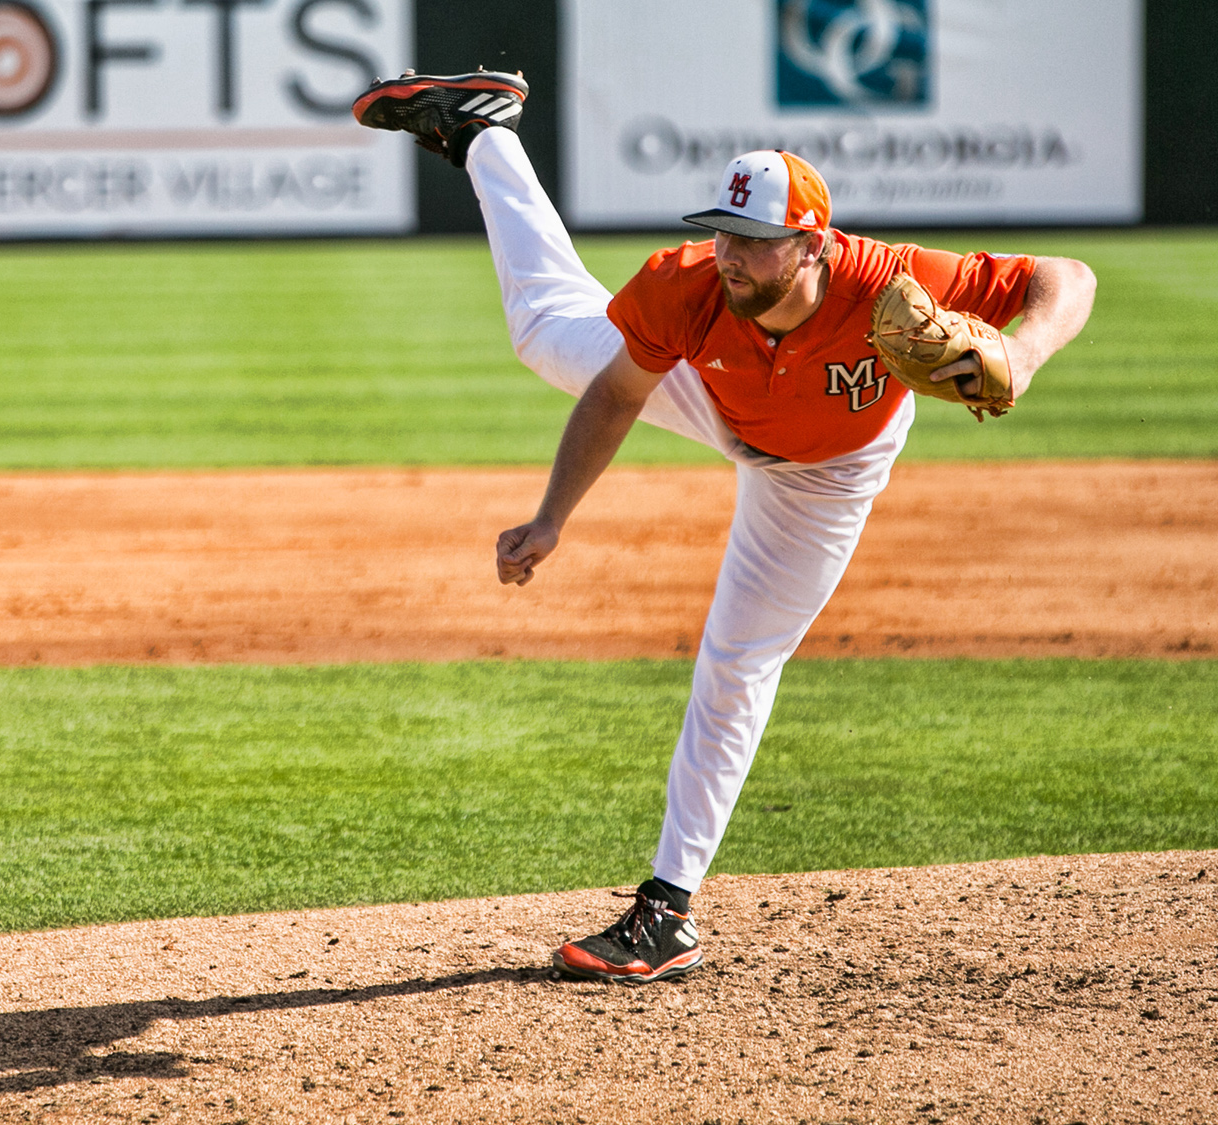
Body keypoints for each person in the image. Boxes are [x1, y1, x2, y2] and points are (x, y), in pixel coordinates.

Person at [353, 71, 1096, 984]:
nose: (729, 253)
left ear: (813, 245)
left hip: (825, 471)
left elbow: (1069, 277)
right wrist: (552, 518)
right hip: (715, 393)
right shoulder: (691, 286)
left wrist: (1022, 348)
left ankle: (665, 912)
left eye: (752, 241)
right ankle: (482, 132)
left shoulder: (884, 280)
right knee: (547, 333)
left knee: (738, 661)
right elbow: (617, 395)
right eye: (721, 231)